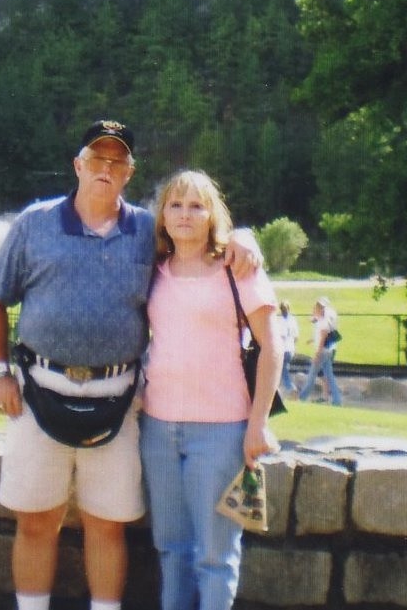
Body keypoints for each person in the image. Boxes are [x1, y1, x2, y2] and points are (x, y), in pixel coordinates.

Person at [0, 121, 259, 610]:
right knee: (36, 520)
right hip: (38, 390)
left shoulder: (147, 231)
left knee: (107, 524)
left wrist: (246, 239)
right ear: (78, 165)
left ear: (129, 173)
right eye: (97, 159)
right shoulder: (34, 223)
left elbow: (200, 236)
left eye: (117, 162)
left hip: (118, 399)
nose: (106, 170)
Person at [140, 170, 282, 610]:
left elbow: (272, 346)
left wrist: (257, 424)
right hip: (159, 429)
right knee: (171, 549)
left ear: (212, 214)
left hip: (221, 431)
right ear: (162, 214)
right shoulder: (153, 270)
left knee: (215, 556)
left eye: (197, 205)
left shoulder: (236, 269)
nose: (185, 214)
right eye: (175, 204)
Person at [296, 296, 342, 405]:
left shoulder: (324, 322)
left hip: (323, 351)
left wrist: (317, 354)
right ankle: (337, 400)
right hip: (327, 351)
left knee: (311, 377)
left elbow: (322, 338)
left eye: (317, 308)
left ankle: (302, 398)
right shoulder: (324, 320)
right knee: (329, 376)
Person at [275, 300, 299, 394]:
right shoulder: (293, 320)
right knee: (284, 368)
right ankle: (282, 387)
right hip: (291, 348)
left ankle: (289, 387)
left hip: (283, 349)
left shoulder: (280, 321)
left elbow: (281, 336)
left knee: (281, 369)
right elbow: (296, 336)